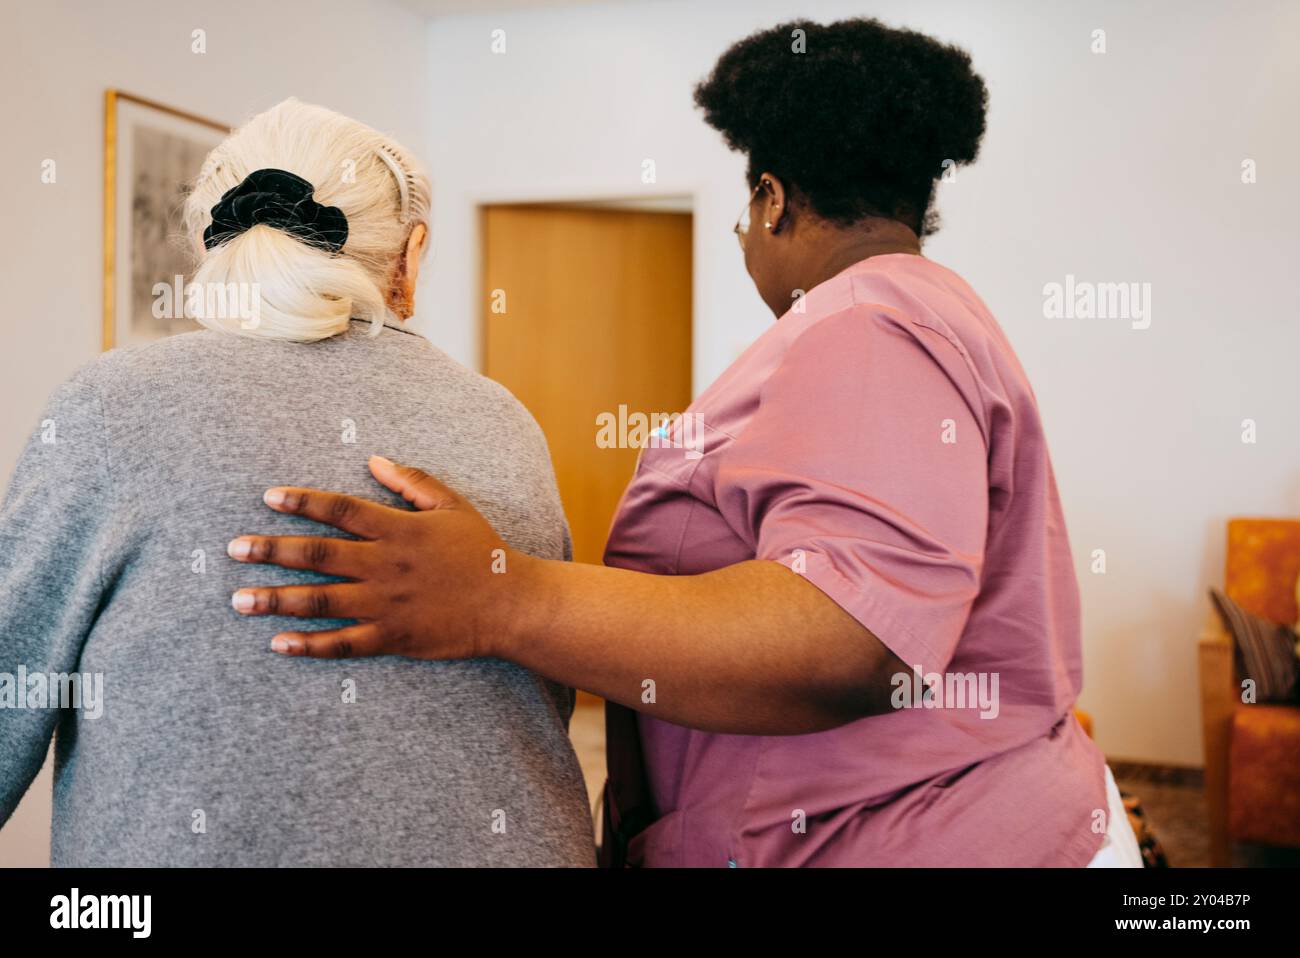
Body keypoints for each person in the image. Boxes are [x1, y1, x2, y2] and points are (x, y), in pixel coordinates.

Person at [226, 20, 1141, 867]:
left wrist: (503, 599)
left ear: (771, 198)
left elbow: (854, 640)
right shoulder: (908, 313)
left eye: (747, 209)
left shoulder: (871, 323)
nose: (746, 232)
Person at [0, 99, 595, 866]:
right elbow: (543, 694)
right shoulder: (503, 418)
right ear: (409, 258)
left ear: (218, 251)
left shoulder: (113, 405)